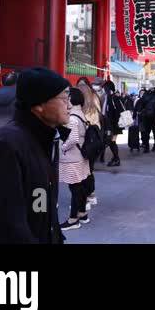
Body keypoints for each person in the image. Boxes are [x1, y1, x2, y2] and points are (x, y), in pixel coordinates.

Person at [0, 67, 70, 244]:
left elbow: (42, 204)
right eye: (64, 98)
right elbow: (9, 224)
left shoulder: (44, 139)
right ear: (38, 104)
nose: (69, 104)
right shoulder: (7, 146)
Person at [59, 88, 91, 231]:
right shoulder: (81, 114)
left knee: (75, 188)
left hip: (73, 157)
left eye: (68, 97)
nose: (66, 99)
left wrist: (63, 148)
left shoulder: (72, 118)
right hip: (81, 155)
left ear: (72, 99)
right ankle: (82, 213)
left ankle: (73, 219)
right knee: (81, 186)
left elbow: (73, 138)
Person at [77, 81, 103, 208]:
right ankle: (91, 196)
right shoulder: (94, 105)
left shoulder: (84, 110)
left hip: (85, 144)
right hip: (94, 144)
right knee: (89, 170)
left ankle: (86, 199)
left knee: (84, 172)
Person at [101, 80, 125, 167]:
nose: (103, 89)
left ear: (108, 88)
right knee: (111, 142)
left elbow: (117, 112)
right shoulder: (109, 97)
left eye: (105, 88)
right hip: (111, 124)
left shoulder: (113, 98)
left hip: (114, 125)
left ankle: (116, 159)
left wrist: (113, 123)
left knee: (112, 142)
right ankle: (115, 158)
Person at [136, 85, 155, 153]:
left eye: (152, 86)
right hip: (146, 116)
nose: (151, 87)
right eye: (150, 86)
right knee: (146, 133)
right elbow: (141, 104)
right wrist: (140, 111)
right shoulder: (146, 94)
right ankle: (147, 147)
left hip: (154, 117)